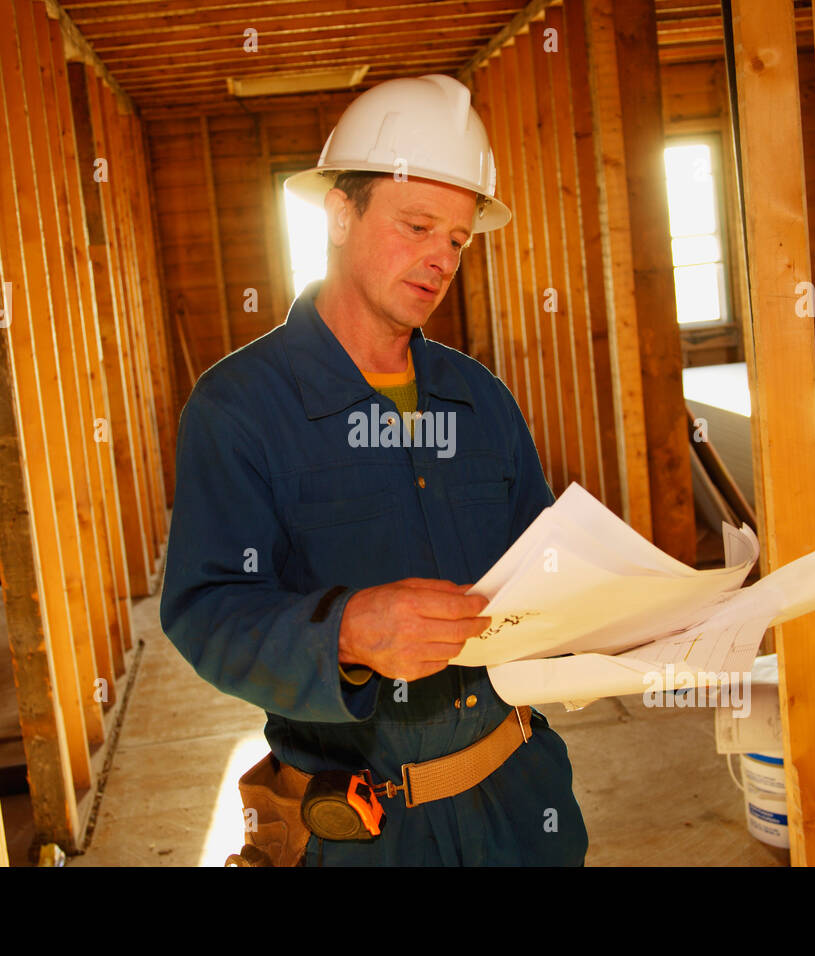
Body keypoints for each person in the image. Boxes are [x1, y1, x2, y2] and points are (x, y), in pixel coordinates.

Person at [160, 74, 587, 866]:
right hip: (362, 834)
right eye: (417, 225)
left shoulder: (479, 398)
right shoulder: (239, 409)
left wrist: (639, 621)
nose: (440, 259)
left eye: (457, 239)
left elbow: (545, 567)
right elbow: (206, 613)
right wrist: (346, 631)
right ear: (340, 211)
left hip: (520, 806)